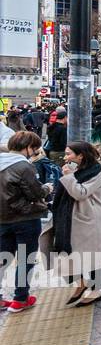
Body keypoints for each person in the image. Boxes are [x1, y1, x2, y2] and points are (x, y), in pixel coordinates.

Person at [39, 141, 101, 307]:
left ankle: (96, 290)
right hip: (71, 220)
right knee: (69, 254)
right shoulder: (77, 169)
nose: (66, 157)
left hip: (90, 219)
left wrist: (68, 176)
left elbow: (80, 193)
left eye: (69, 154)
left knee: (94, 256)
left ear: (80, 155)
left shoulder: (95, 171)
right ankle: (80, 283)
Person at [0, 131, 52, 313]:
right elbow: (35, 193)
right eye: (35, 148)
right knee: (25, 259)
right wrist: (47, 188)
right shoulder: (23, 167)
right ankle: (20, 299)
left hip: (2, 219)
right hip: (25, 218)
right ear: (28, 147)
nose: (35, 152)